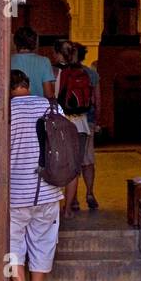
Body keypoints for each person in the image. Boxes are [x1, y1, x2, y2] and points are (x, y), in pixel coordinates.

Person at [8, 69, 64, 281]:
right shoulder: (51, 107)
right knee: (43, 243)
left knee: (11, 245)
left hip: (16, 192)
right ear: (27, 85)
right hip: (49, 190)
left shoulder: (6, 110)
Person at [53, 39, 93, 218]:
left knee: (58, 165)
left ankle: (57, 207)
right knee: (74, 168)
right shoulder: (83, 72)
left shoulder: (56, 72)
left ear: (58, 54)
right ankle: (69, 208)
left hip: (62, 124)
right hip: (82, 124)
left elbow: (51, 97)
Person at [75, 42, 100, 211]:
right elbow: (98, 100)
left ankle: (73, 199)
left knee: (72, 160)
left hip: (68, 121)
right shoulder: (92, 74)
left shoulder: (62, 72)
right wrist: (97, 121)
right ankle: (90, 193)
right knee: (88, 159)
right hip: (87, 119)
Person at [10, 23, 55, 99]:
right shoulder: (44, 61)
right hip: (39, 109)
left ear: (15, 43)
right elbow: (48, 94)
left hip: (16, 108)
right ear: (34, 43)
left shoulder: (8, 62)